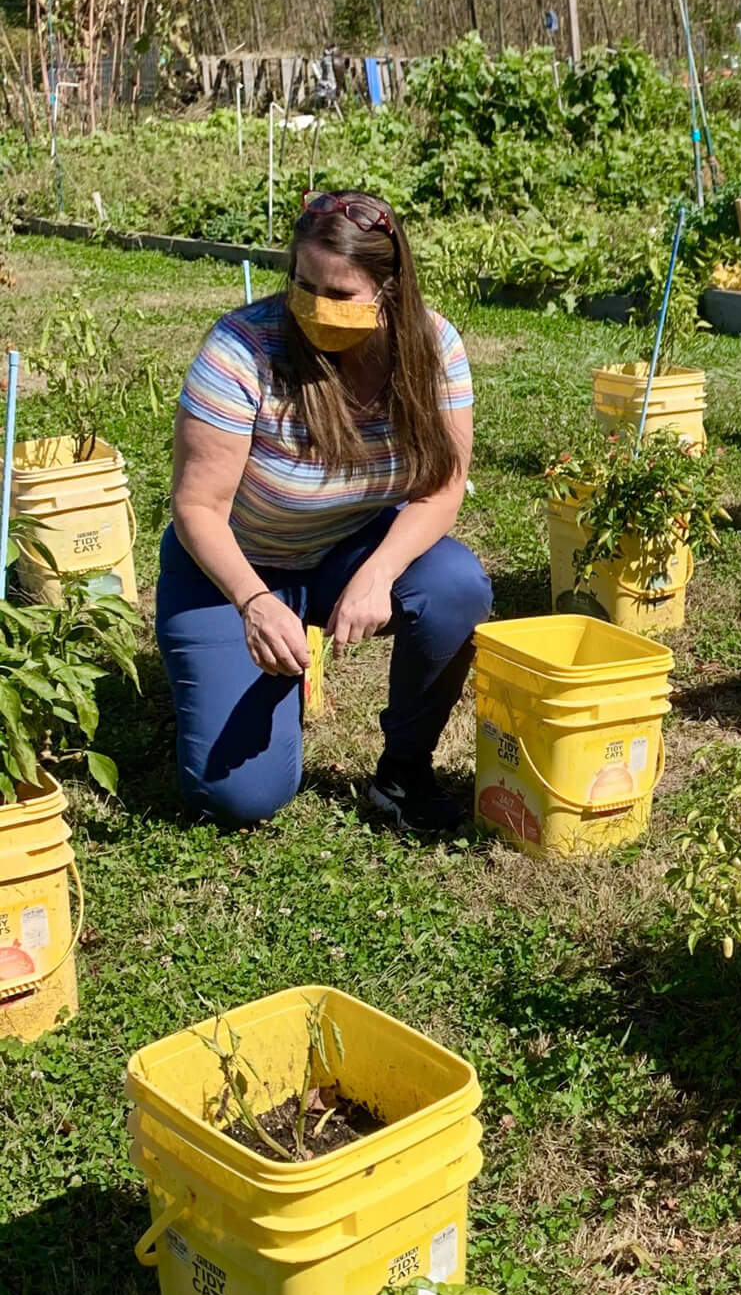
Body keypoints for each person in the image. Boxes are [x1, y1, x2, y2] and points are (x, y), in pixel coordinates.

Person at [157, 190, 492, 834]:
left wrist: (380, 571)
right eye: (302, 284)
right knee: (240, 799)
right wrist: (254, 603)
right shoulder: (241, 350)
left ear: (388, 291)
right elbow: (196, 506)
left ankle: (403, 773)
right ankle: (219, 668)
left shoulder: (432, 349)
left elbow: (443, 488)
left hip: (348, 550)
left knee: (454, 586)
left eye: (339, 293)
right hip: (231, 569)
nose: (315, 306)